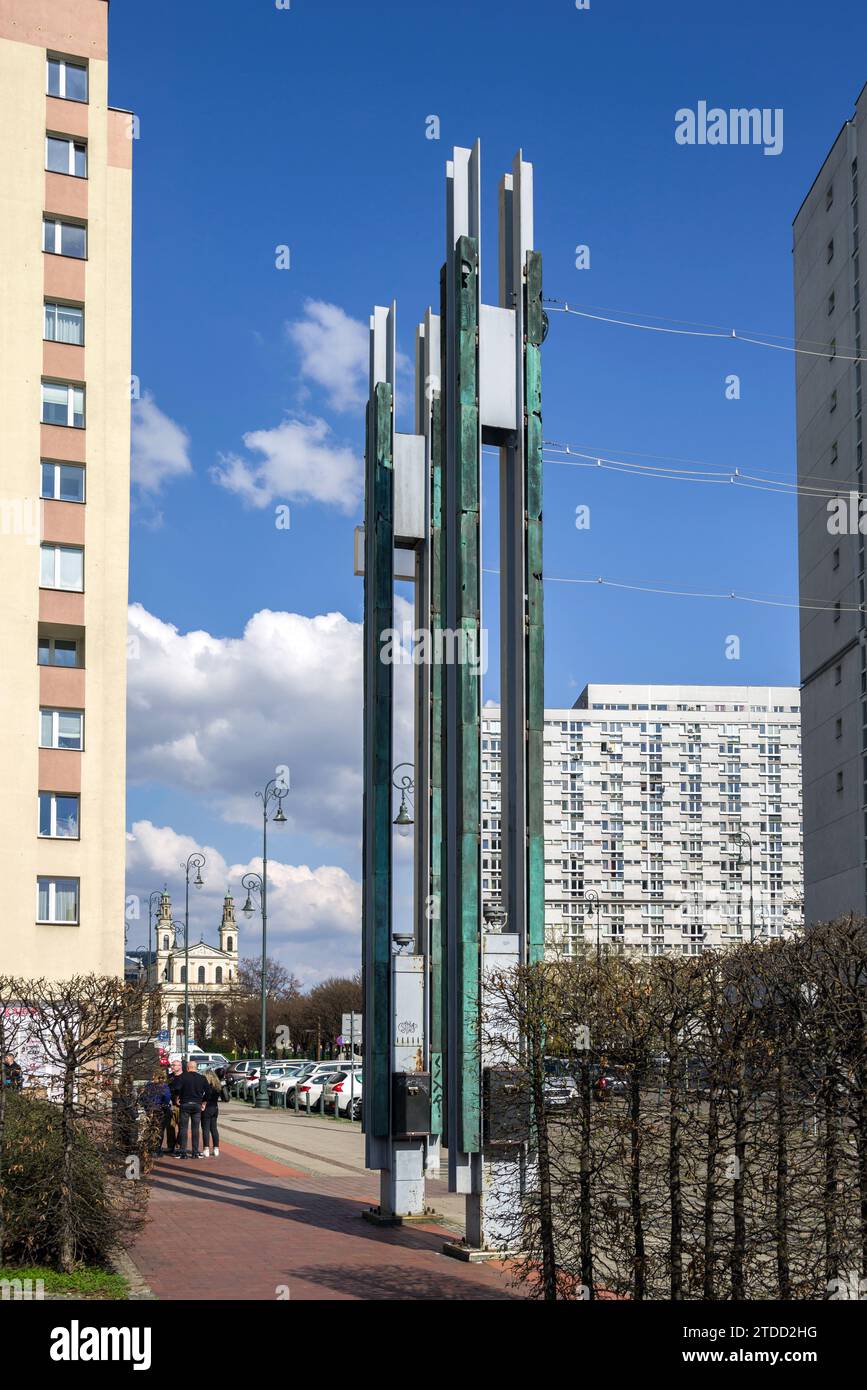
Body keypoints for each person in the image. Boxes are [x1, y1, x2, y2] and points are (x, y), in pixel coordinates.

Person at [175, 1061, 210, 1159]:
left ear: (187, 1068)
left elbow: (177, 1088)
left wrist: (178, 1097)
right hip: (197, 1105)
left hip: (185, 1104)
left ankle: (183, 1151)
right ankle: (195, 1152)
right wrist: (204, 1102)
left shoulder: (183, 1077)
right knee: (195, 1129)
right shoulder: (202, 1078)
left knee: (183, 1128)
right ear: (196, 1068)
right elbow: (208, 1092)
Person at [140, 1069, 173, 1155]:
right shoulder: (164, 1086)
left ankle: (149, 1148)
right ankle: (157, 1149)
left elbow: (143, 1097)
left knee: (150, 1128)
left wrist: (146, 1106)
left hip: (149, 1109)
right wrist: (165, 1105)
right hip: (159, 1109)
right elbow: (167, 1097)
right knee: (159, 1129)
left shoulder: (148, 1085)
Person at [201, 1068, 222, 1157]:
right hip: (215, 1108)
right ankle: (216, 1148)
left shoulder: (207, 1087)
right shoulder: (217, 1086)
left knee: (205, 1129)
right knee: (214, 1128)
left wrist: (203, 1103)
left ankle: (206, 1149)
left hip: (207, 1108)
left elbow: (205, 1097)